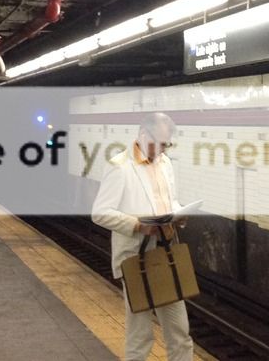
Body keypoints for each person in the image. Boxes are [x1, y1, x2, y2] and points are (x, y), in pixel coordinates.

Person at [92, 113, 194, 361]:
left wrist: (178, 213)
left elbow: (168, 200)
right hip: (137, 259)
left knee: (180, 332)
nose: (161, 149)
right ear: (142, 134)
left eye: (166, 144)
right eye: (159, 143)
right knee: (141, 334)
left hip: (166, 253)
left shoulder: (165, 163)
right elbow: (100, 213)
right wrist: (137, 225)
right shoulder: (120, 166)